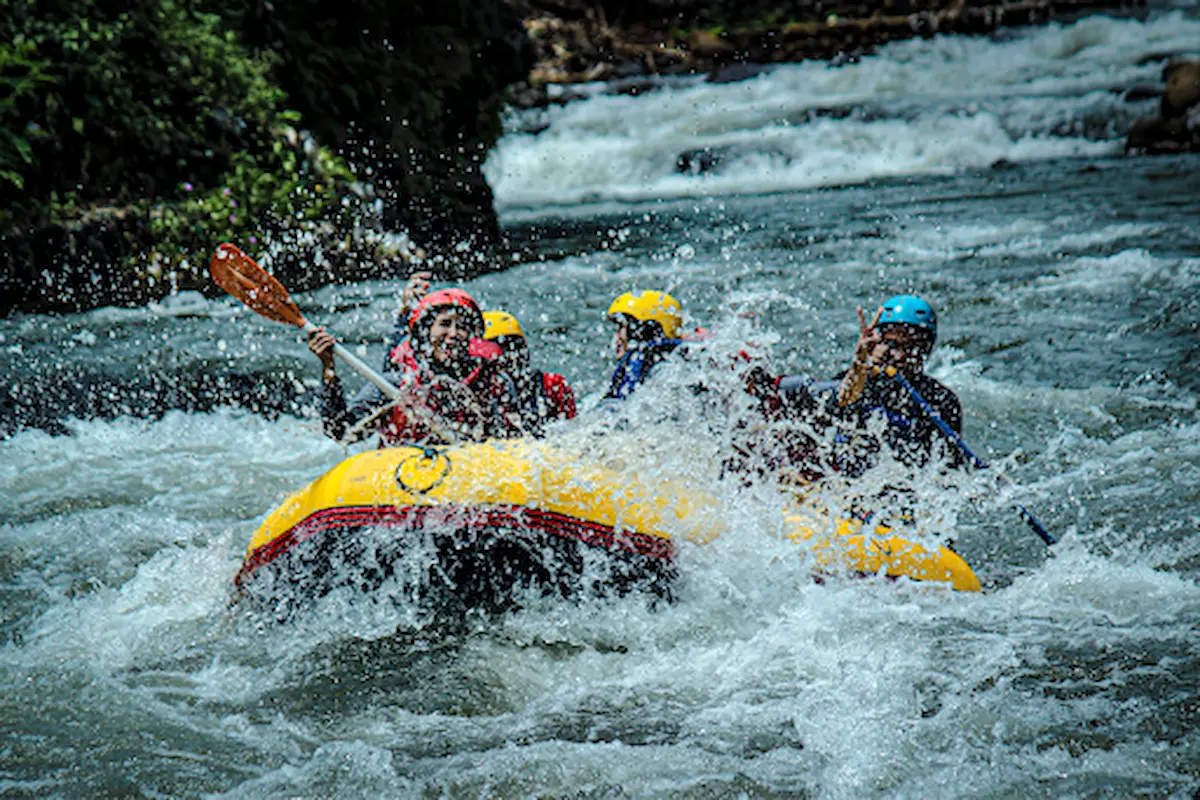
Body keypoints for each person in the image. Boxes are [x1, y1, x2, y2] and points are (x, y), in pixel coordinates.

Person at [754, 294, 962, 480]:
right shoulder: (855, 380)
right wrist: (861, 362)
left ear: (926, 348)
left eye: (910, 347)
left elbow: (949, 470)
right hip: (850, 485)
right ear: (877, 343)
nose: (899, 355)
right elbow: (843, 397)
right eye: (891, 345)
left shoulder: (941, 401)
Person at [308, 287, 523, 446]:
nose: (454, 334)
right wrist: (329, 372)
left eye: (463, 327)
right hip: (401, 479)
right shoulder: (396, 383)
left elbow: (511, 444)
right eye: (445, 324)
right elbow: (341, 432)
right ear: (426, 331)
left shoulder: (492, 383)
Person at [482, 310, 576, 435]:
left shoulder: (552, 385)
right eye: (501, 349)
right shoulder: (478, 394)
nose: (510, 357)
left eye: (515, 346)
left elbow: (571, 432)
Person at [604, 290, 687, 400]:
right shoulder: (679, 365)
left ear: (640, 330)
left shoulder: (640, 363)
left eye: (621, 327)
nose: (616, 337)